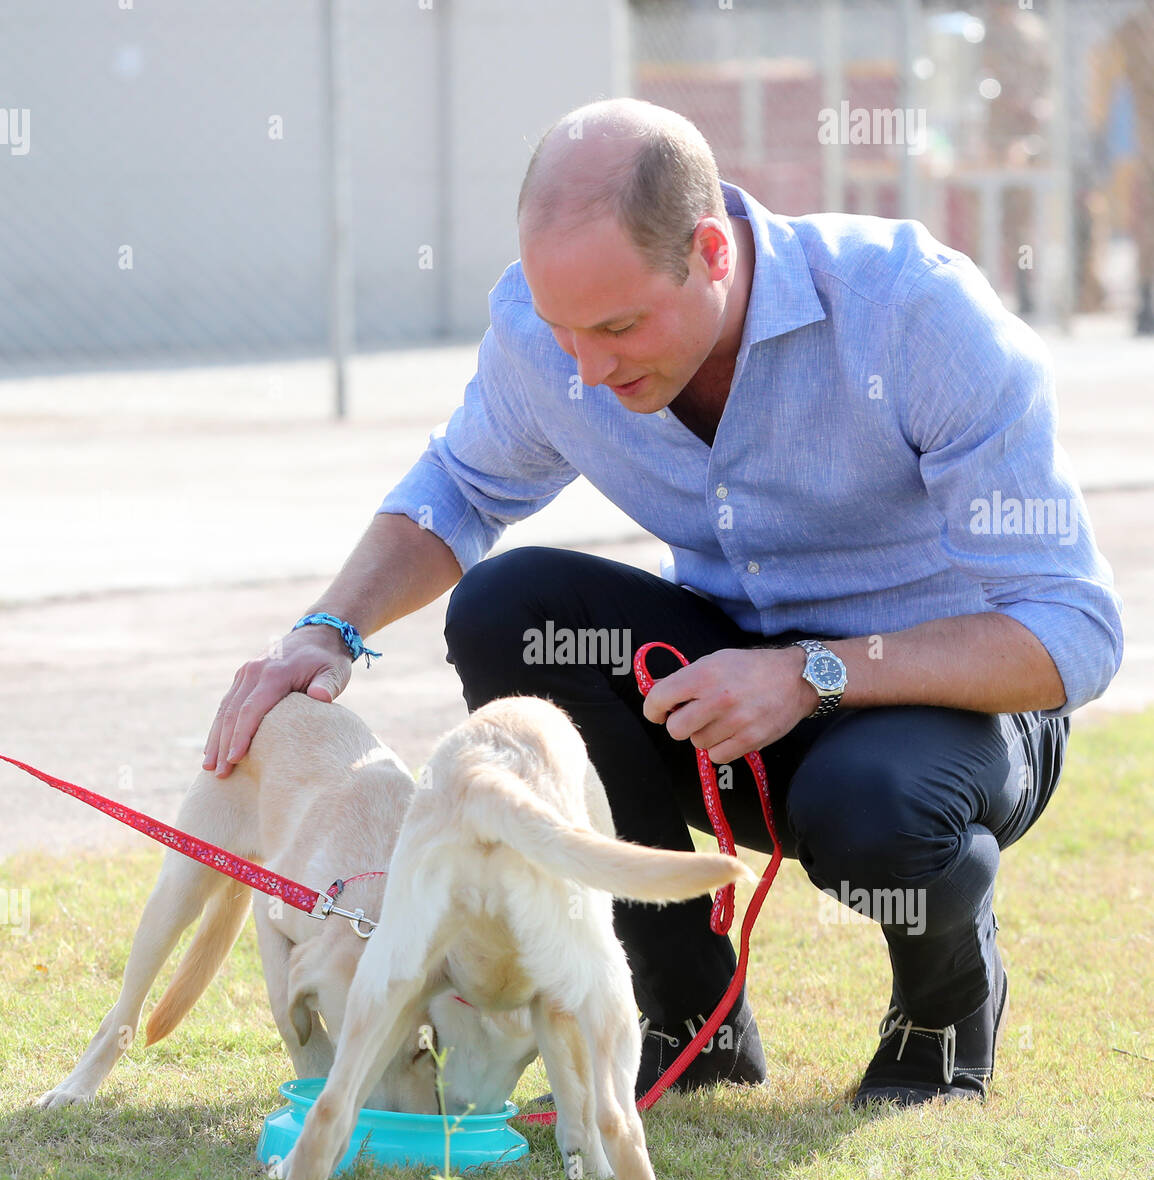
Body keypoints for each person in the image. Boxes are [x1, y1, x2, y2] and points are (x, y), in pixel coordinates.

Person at [203, 99, 1123, 1107]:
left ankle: (941, 1015)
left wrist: (810, 674)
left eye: (617, 326)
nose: (587, 369)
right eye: (563, 331)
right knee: (510, 606)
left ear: (710, 252)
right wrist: (327, 629)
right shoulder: (551, 338)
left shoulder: (914, 315)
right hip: (735, 686)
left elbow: (1069, 629)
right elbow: (457, 492)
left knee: (870, 807)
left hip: (954, 708)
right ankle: (685, 1016)